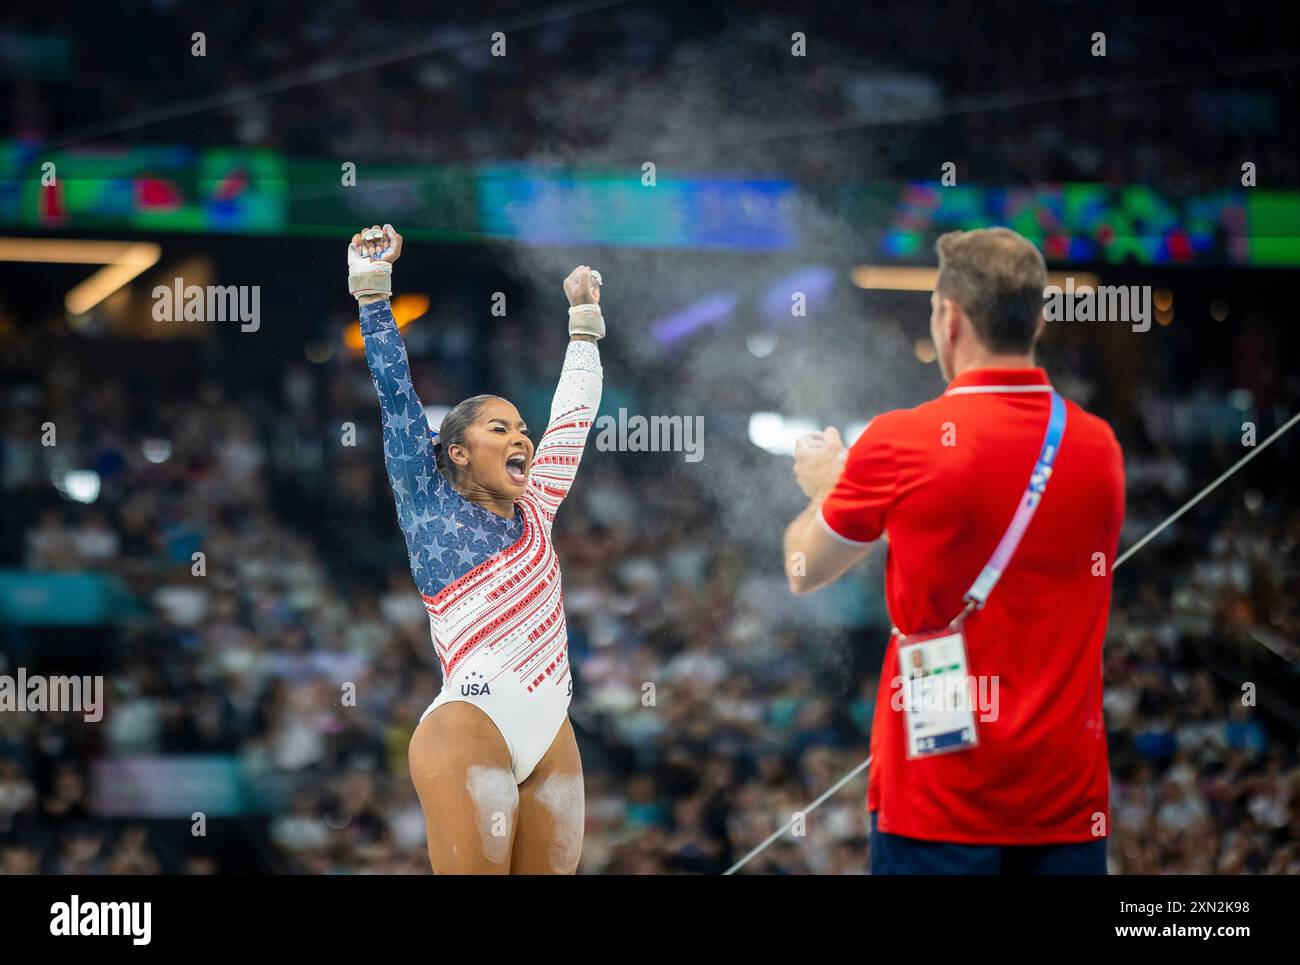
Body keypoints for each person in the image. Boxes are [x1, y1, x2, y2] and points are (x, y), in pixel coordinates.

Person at [782, 227, 1125, 874]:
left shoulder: (900, 442)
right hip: (1068, 802)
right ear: (1039, 319)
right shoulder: (1101, 447)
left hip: (938, 804)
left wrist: (828, 488)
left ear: (949, 317)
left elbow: (806, 568)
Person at [347, 224, 605, 873]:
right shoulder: (429, 503)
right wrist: (373, 289)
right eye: (500, 427)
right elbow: (395, 397)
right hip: (470, 723)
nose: (522, 435)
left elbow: (573, 416)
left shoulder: (537, 505)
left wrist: (584, 321)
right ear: (457, 451)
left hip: (551, 732)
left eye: (522, 426)